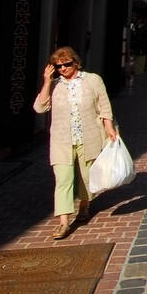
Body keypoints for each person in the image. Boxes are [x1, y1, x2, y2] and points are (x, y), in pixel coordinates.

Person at [32, 47, 116, 240]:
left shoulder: (92, 80)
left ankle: (84, 205)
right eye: (58, 66)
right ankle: (63, 222)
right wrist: (46, 81)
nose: (63, 68)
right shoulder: (54, 85)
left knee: (86, 178)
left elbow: (104, 105)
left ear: (76, 62)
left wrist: (109, 128)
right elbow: (39, 108)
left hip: (89, 136)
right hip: (61, 140)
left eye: (66, 64)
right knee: (63, 180)